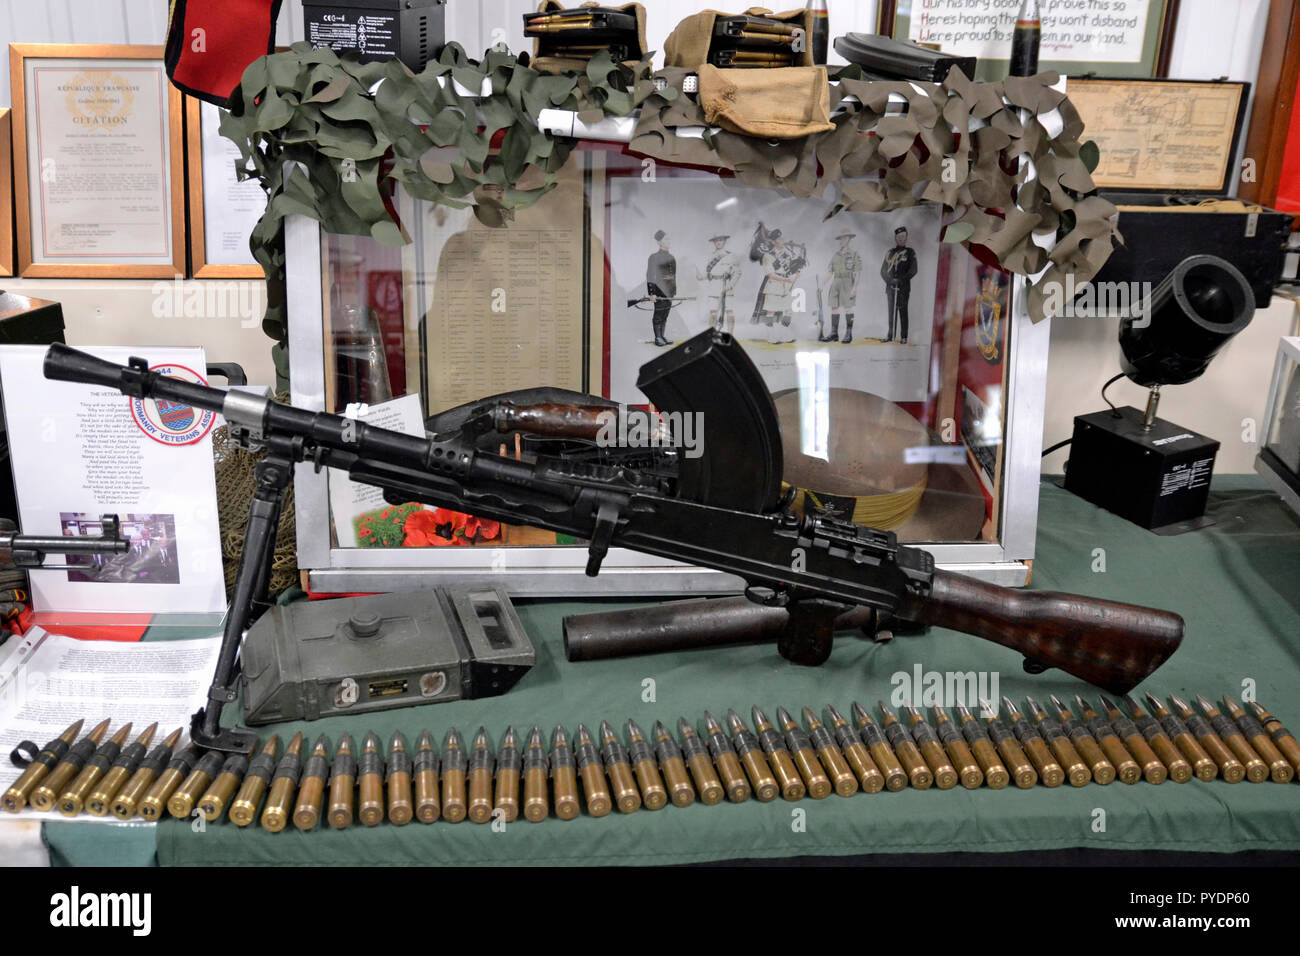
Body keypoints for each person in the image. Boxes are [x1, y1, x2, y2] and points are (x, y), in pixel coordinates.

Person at [757, 230, 802, 344]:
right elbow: (770, 274)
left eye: (782, 238)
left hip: (785, 287)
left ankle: (784, 335)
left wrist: (796, 275)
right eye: (779, 239)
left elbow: (794, 271)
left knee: (788, 311)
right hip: (773, 286)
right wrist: (786, 279)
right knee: (771, 312)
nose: (782, 240)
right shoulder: (768, 256)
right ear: (773, 242)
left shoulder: (788, 255)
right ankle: (771, 336)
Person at [821, 228, 862, 343]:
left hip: (848, 282)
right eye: (841, 238)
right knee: (834, 307)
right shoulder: (836, 255)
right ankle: (834, 333)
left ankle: (849, 333)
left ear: (849, 239)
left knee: (848, 308)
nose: (842, 240)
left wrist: (854, 288)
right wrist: (822, 284)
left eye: (844, 238)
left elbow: (858, 273)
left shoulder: (854, 255)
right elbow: (830, 272)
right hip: (836, 282)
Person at [881, 226, 918, 343]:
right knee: (891, 312)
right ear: (895, 238)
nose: (901, 239)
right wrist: (891, 280)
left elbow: (913, 270)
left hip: (903, 287)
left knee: (903, 311)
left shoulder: (910, 252)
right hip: (891, 287)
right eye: (899, 237)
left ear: (906, 238)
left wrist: (901, 280)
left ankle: (903, 336)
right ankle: (890, 335)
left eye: (903, 236)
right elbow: (883, 270)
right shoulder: (890, 253)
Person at [697, 234, 740, 334]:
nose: (718, 242)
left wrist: (731, 285)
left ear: (725, 241)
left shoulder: (731, 256)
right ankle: (712, 335)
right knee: (713, 313)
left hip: (726, 286)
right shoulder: (711, 256)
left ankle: (730, 335)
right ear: (714, 243)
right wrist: (701, 278)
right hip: (714, 287)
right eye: (716, 241)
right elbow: (709, 274)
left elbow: (737, 273)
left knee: (729, 312)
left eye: (721, 240)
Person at [645, 230, 677, 347]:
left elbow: (673, 276)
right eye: (666, 239)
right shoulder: (654, 257)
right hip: (659, 291)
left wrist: (673, 291)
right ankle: (658, 337)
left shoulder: (672, 257)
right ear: (659, 242)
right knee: (658, 315)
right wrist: (651, 293)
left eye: (669, 239)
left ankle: (662, 336)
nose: (669, 241)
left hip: (669, 292)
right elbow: (650, 275)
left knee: (665, 315)